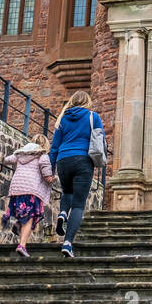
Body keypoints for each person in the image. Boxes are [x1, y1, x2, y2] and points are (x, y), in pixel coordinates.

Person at [50, 90, 102, 258]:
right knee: (79, 205)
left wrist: (50, 169)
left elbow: (54, 147)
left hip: (63, 160)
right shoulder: (93, 117)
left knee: (67, 192)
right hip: (83, 160)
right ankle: (67, 243)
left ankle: (62, 213)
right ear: (87, 102)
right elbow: (99, 139)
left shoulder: (62, 119)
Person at [1, 135, 55, 258]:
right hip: (30, 188)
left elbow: (7, 159)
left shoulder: (20, 154)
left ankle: (18, 224)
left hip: (16, 188)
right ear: (45, 145)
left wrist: (18, 154)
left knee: (24, 212)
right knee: (30, 216)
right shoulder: (42, 156)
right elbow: (47, 176)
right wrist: (52, 179)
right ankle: (22, 245)